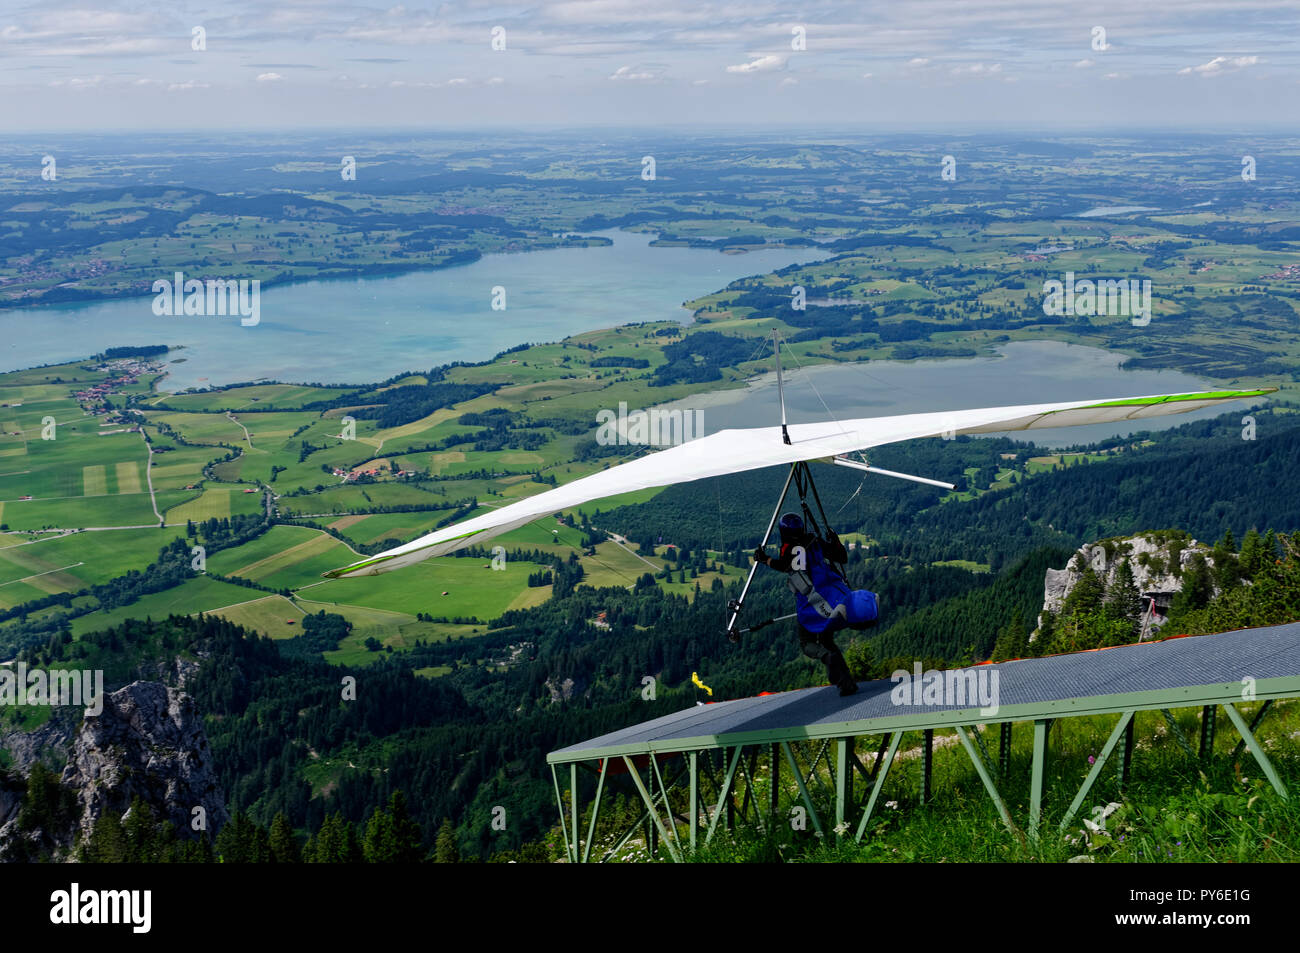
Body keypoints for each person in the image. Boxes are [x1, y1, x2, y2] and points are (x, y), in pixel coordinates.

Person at [753, 513, 878, 696]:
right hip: (829, 598)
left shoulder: (789, 547)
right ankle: (846, 683)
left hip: (811, 603)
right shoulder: (814, 540)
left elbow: (787, 566)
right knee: (827, 640)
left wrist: (765, 559)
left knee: (807, 643)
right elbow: (841, 557)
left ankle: (827, 657)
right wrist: (834, 541)